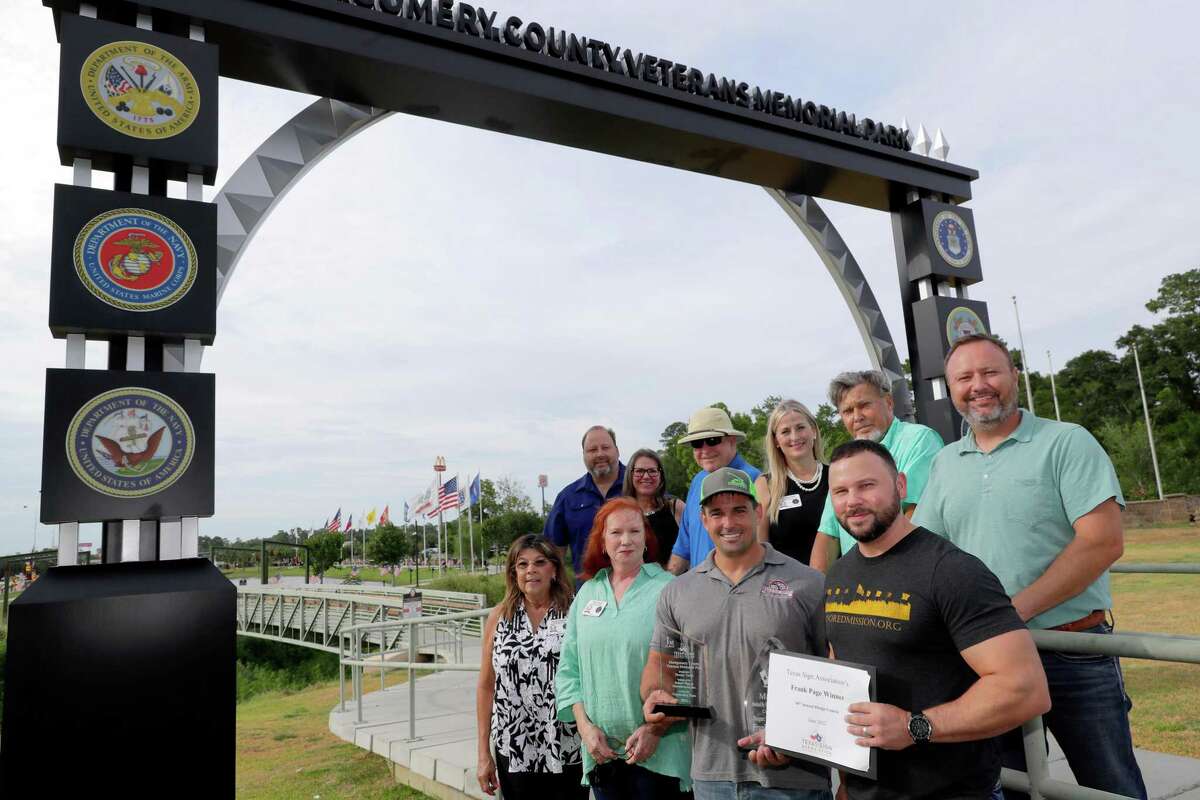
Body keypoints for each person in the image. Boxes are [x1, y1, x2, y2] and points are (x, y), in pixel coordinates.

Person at [913, 333, 1148, 800]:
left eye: (990, 372)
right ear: (951, 388)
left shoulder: (1066, 442)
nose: (978, 385)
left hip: (1072, 649)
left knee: (1110, 787)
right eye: (964, 377)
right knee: (1010, 786)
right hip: (989, 663)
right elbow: (925, 555)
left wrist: (1007, 615)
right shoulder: (944, 462)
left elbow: (1102, 542)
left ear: (1014, 377)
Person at [825, 439, 1050, 799]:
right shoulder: (838, 575)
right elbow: (841, 674)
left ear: (900, 485)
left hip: (952, 790)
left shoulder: (952, 571)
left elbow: (1026, 690)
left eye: (867, 486)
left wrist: (915, 726)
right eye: (841, 491)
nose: (853, 501)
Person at [643, 467, 831, 799]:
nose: (728, 523)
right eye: (717, 513)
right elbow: (661, 670)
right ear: (702, 519)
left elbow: (831, 675)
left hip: (793, 781)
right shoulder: (678, 592)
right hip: (711, 778)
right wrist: (657, 696)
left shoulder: (808, 583)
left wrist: (794, 734)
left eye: (739, 510)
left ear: (758, 512)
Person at [556, 498, 691, 799]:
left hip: (659, 753)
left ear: (646, 538)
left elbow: (688, 670)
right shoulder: (587, 594)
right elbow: (569, 671)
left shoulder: (670, 590)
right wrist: (585, 729)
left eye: (635, 531)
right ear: (602, 541)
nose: (626, 540)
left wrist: (655, 730)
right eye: (616, 532)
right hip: (602, 753)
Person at [476, 534, 586, 799]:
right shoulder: (499, 617)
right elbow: (486, 686)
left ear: (555, 570)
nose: (531, 570)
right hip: (514, 748)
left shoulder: (576, 613)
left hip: (567, 745)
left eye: (539, 562)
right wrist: (483, 753)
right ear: (513, 573)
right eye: (522, 564)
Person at [810, 371, 942, 572]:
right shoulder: (846, 460)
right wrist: (816, 592)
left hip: (905, 576)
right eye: (847, 411)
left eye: (864, 405)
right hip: (860, 583)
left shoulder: (919, 440)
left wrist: (880, 577)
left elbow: (914, 514)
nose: (857, 417)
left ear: (888, 402)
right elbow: (828, 534)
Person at [667, 407, 761, 575]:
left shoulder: (755, 481)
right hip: (699, 591)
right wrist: (664, 590)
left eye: (712, 440)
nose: (705, 450)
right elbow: (683, 547)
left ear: (732, 440)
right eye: (697, 443)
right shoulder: (697, 482)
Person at [545, 426, 626, 580]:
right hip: (589, 594)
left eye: (605, 447)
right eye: (592, 450)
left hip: (639, 591)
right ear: (583, 455)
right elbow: (552, 552)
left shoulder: (640, 486)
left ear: (617, 450)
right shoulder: (567, 498)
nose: (600, 454)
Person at [754, 399, 828, 565]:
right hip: (787, 585)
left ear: (814, 431)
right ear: (776, 441)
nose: (794, 437)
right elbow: (759, 548)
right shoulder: (765, 485)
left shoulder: (836, 475)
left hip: (838, 583)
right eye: (785, 431)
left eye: (800, 428)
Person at [622, 448, 685, 567]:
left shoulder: (676, 507)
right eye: (639, 471)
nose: (646, 476)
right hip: (635, 583)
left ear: (660, 475)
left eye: (652, 471)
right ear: (630, 475)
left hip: (676, 582)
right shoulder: (620, 513)